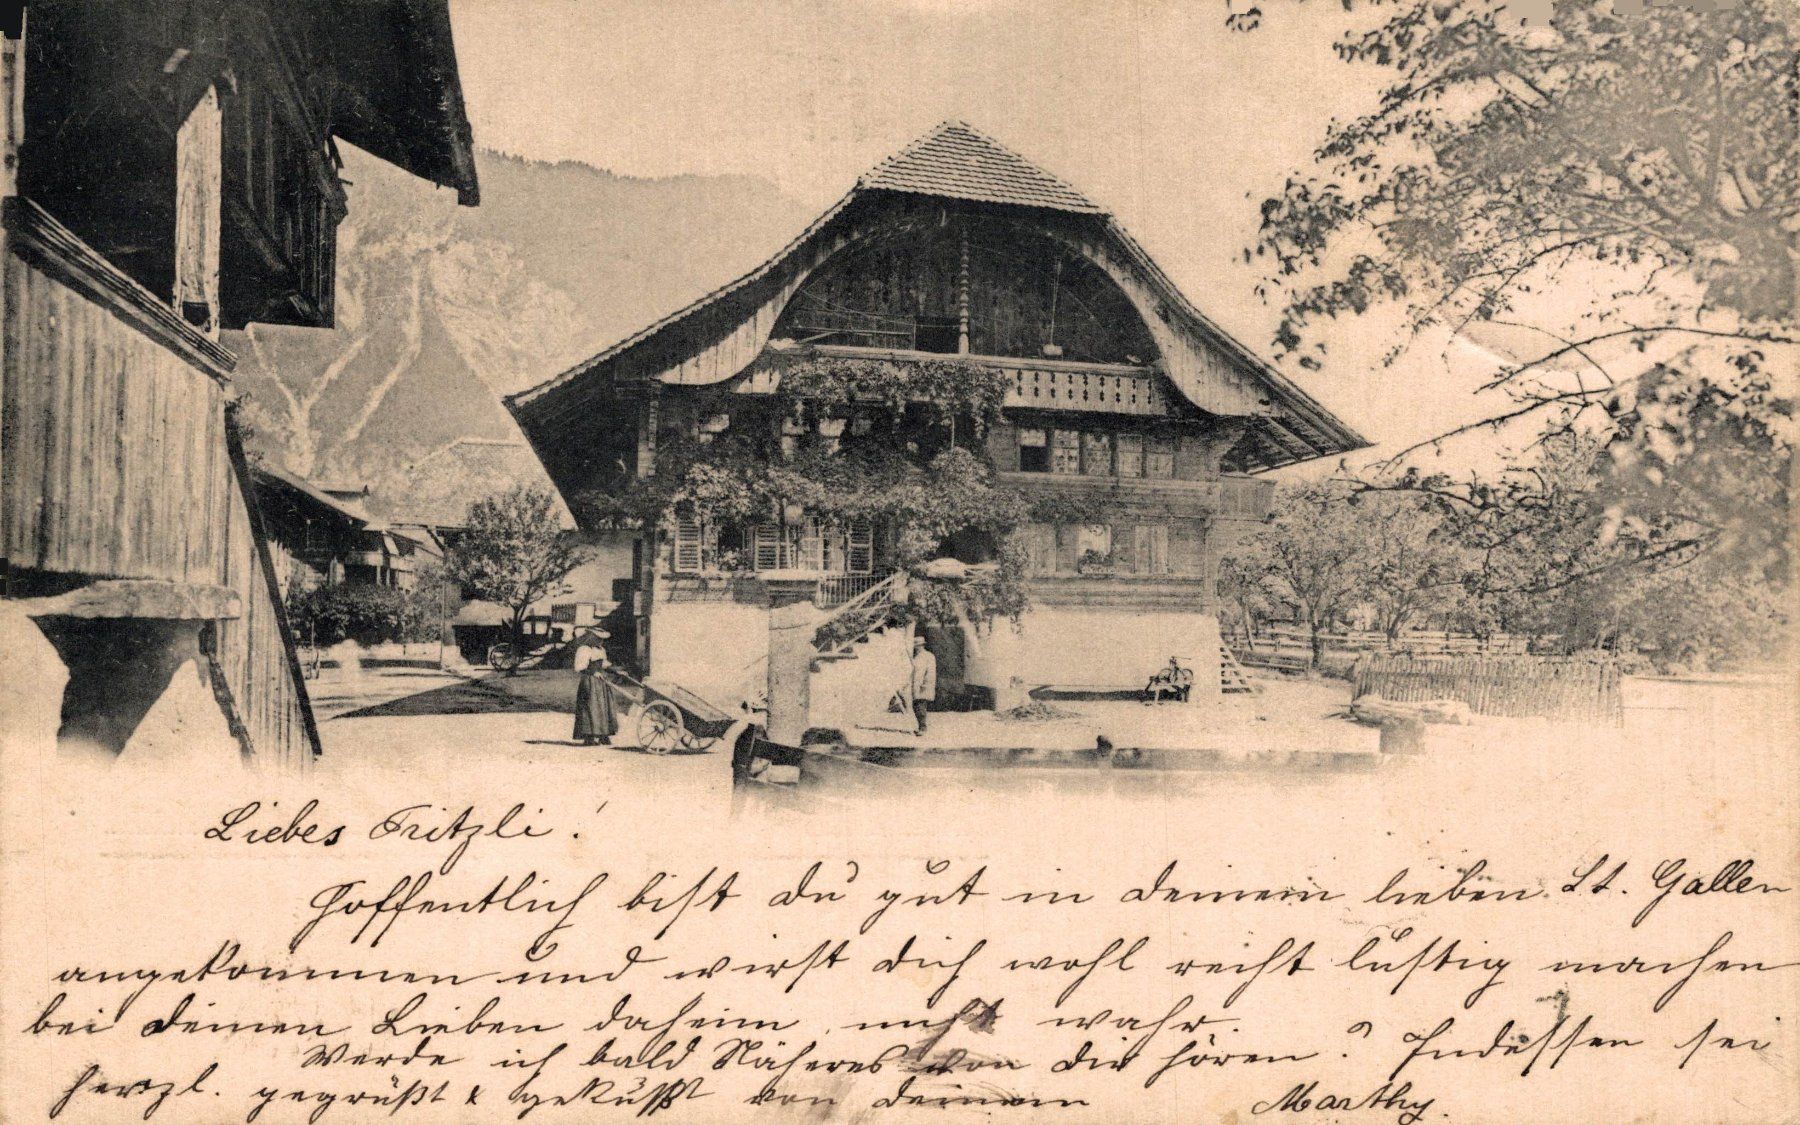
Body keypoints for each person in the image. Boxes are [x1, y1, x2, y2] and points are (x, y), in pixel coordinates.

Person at [572, 633, 619, 746]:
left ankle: (603, 735)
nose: (601, 641)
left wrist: (617, 671)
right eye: (598, 639)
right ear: (592, 638)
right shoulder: (584, 649)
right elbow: (579, 668)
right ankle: (589, 737)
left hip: (601, 682)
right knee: (590, 707)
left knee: (604, 707)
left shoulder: (601, 650)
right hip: (589, 682)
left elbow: (604, 665)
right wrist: (593, 673)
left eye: (602, 639)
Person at [909, 635, 937, 734]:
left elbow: (922, 673)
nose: (915, 648)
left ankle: (923, 728)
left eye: (916, 646)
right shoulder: (926, 656)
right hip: (923, 684)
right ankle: (921, 727)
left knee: (919, 706)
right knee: (918, 705)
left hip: (922, 685)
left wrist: (920, 685)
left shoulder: (923, 657)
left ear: (920, 646)